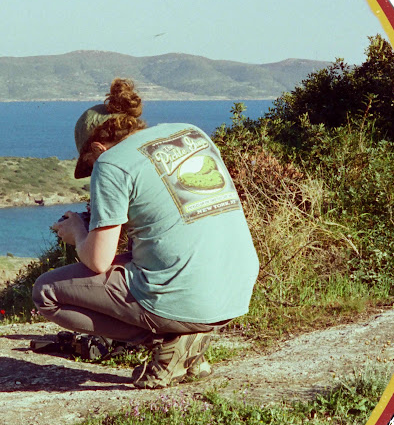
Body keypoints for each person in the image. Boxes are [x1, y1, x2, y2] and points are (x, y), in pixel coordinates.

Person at [32, 78, 259, 389]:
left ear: (97, 148)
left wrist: (78, 233)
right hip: (236, 287)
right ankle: (188, 344)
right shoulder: (190, 133)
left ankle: (170, 343)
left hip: (191, 297)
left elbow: (98, 261)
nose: (93, 171)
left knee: (45, 293)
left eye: (90, 164)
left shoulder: (111, 163)